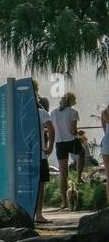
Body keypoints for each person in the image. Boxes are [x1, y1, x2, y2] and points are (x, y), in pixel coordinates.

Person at [52, 92, 80, 209]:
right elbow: (73, 131)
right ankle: (79, 177)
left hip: (59, 143)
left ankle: (64, 202)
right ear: (71, 101)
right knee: (82, 154)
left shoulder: (53, 112)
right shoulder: (73, 112)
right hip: (71, 141)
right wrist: (79, 133)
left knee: (63, 174)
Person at [36, 96, 56, 224]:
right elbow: (51, 129)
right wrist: (49, 147)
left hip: (23, 155)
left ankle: (27, 214)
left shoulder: (19, 112)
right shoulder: (41, 113)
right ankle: (38, 214)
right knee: (40, 185)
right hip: (40, 154)